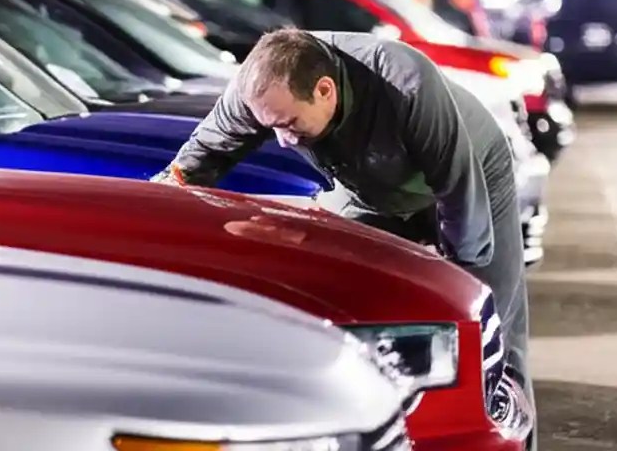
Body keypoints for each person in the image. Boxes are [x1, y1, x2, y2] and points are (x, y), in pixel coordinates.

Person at [153, 28, 534, 440]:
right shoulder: (259, 90)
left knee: (489, 324)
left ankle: (503, 434)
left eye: (290, 123)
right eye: (271, 127)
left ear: (325, 90)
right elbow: (191, 167)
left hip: (470, 174)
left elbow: (459, 191)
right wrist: (149, 219)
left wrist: (462, 287)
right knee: (330, 290)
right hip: (367, 189)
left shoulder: (405, 83)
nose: (281, 141)